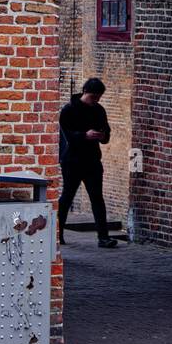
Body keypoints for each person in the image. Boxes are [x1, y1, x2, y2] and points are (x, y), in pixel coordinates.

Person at [58, 77, 118, 248]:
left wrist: (102, 135)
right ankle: (58, 234)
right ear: (85, 92)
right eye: (93, 97)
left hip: (92, 160)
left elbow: (106, 132)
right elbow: (64, 135)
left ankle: (103, 237)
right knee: (67, 197)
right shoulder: (69, 110)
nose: (96, 101)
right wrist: (84, 135)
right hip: (72, 161)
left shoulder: (99, 110)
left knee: (97, 198)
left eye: (98, 97)